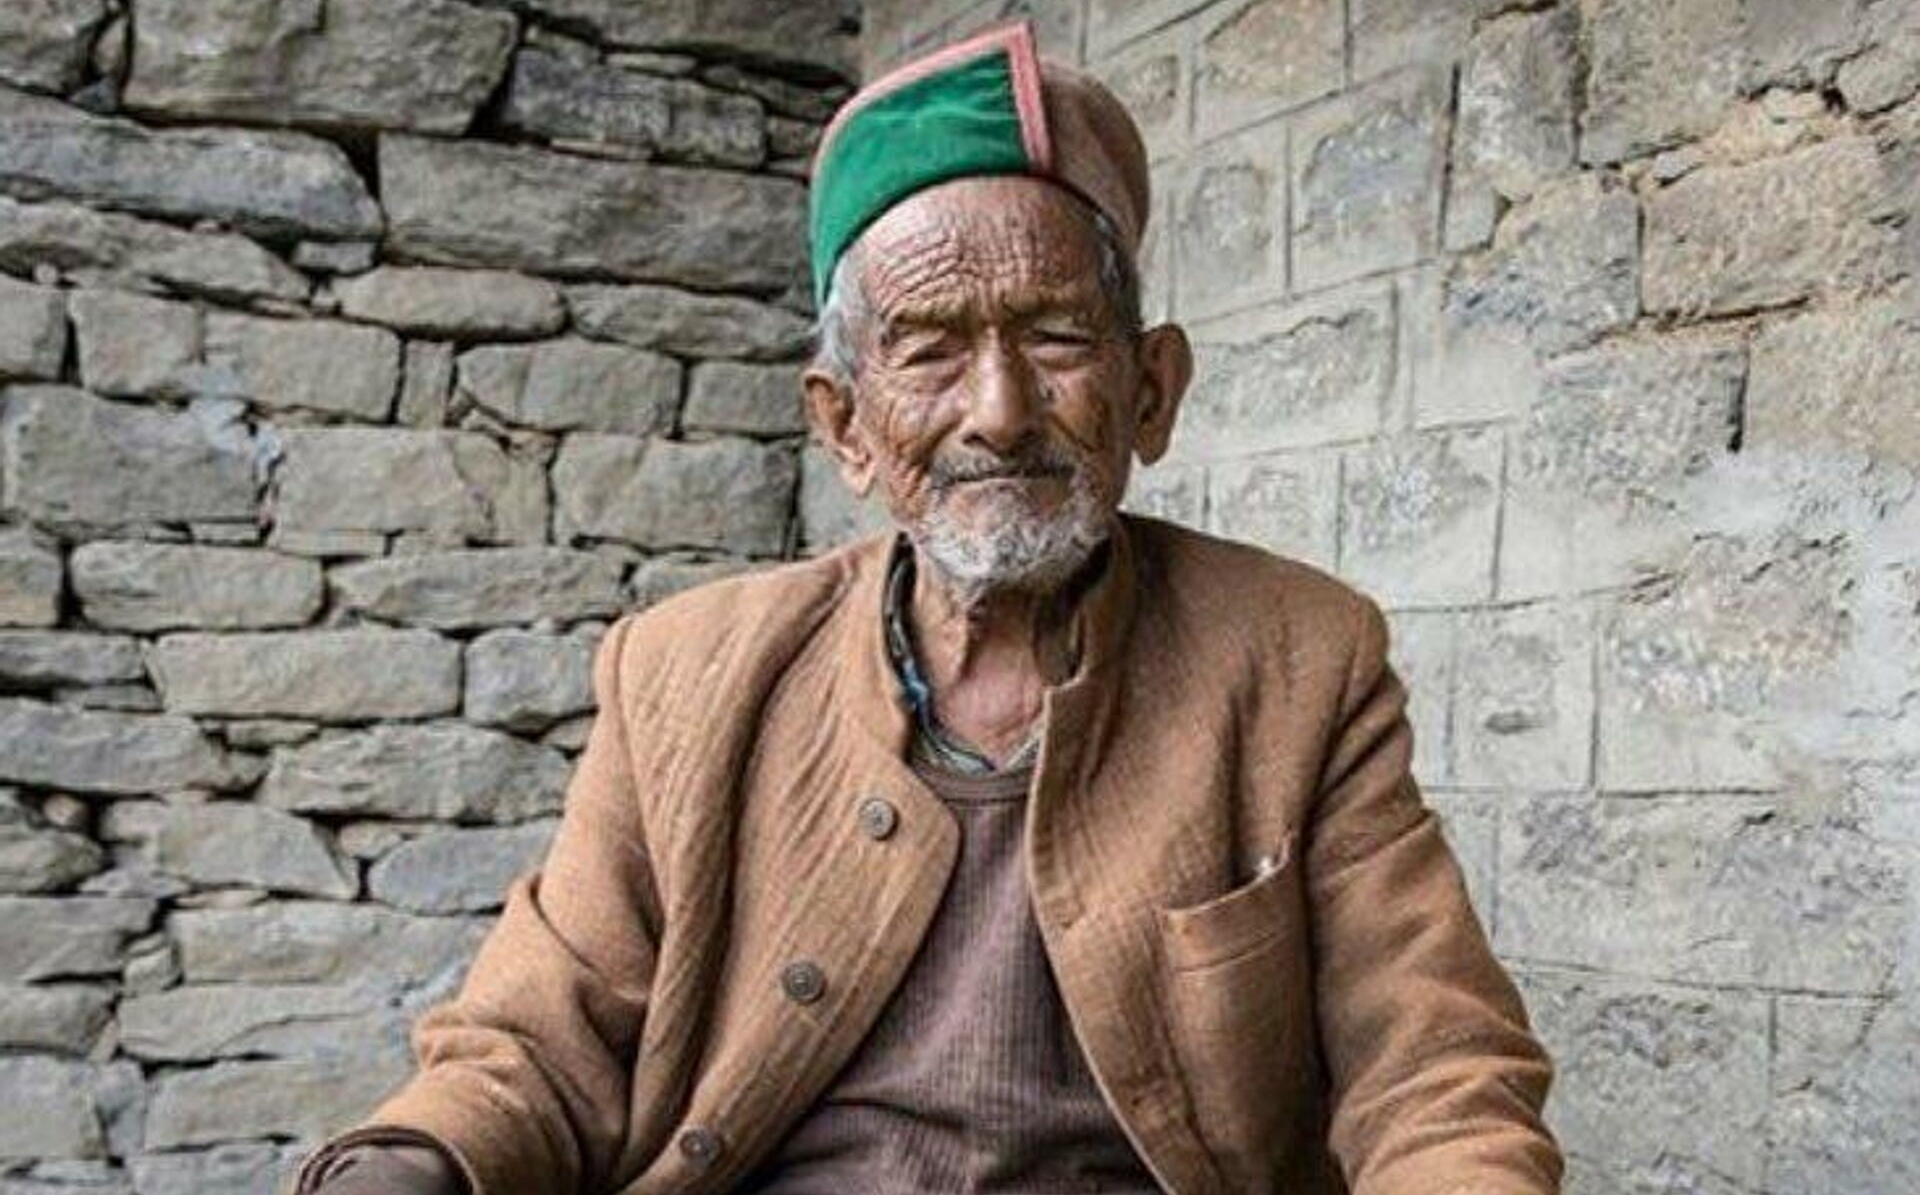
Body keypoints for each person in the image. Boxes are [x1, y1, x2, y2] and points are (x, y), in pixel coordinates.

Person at [296, 20, 1563, 1195]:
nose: (1000, 411)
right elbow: (532, 1038)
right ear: (844, 423)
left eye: (1058, 337)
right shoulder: (678, 673)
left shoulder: (1297, 659)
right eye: (931, 350)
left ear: (1152, 391)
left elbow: (1435, 1069)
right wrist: (413, 1165)